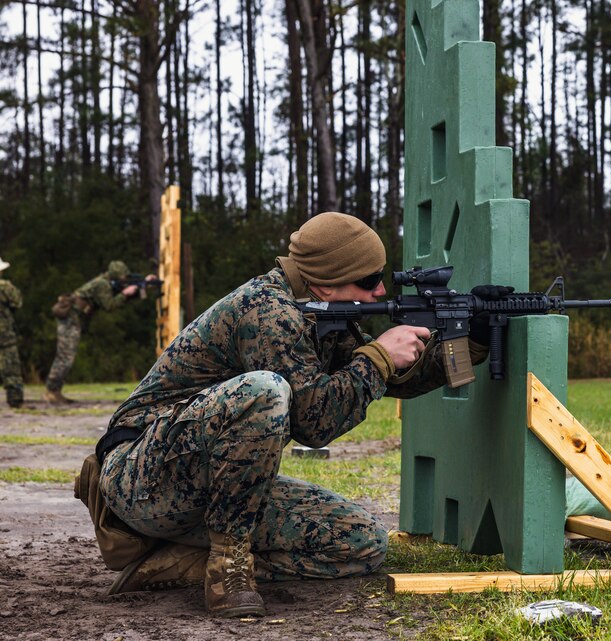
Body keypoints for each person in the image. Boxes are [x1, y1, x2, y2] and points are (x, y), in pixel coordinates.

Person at [94, 212, 494, 618]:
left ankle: (178, 563)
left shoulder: (322, 311)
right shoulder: (268, 311)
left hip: (211, 487)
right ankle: (226, 567)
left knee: (362, 542)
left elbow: (391, 377)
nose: (380, 291)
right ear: (328, 279)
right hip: (143, 480)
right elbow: (314, 422)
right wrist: (377, 358)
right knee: (265, 391)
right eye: (370, 280)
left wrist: (473, 338)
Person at [44, 261, 156, 404]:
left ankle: (54, 391)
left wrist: (143, 284)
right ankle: (51, 391)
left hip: (74, 320)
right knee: (65, 357)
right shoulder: (102, 285)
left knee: (66, 357)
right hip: (70, 320)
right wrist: (124, 294)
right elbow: (109, 305)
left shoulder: (106, 283)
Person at [0, 257, 24, 409]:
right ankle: (14, 399)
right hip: (4, 333)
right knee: (11, 366)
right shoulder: (5, 286)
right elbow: (17, 302)